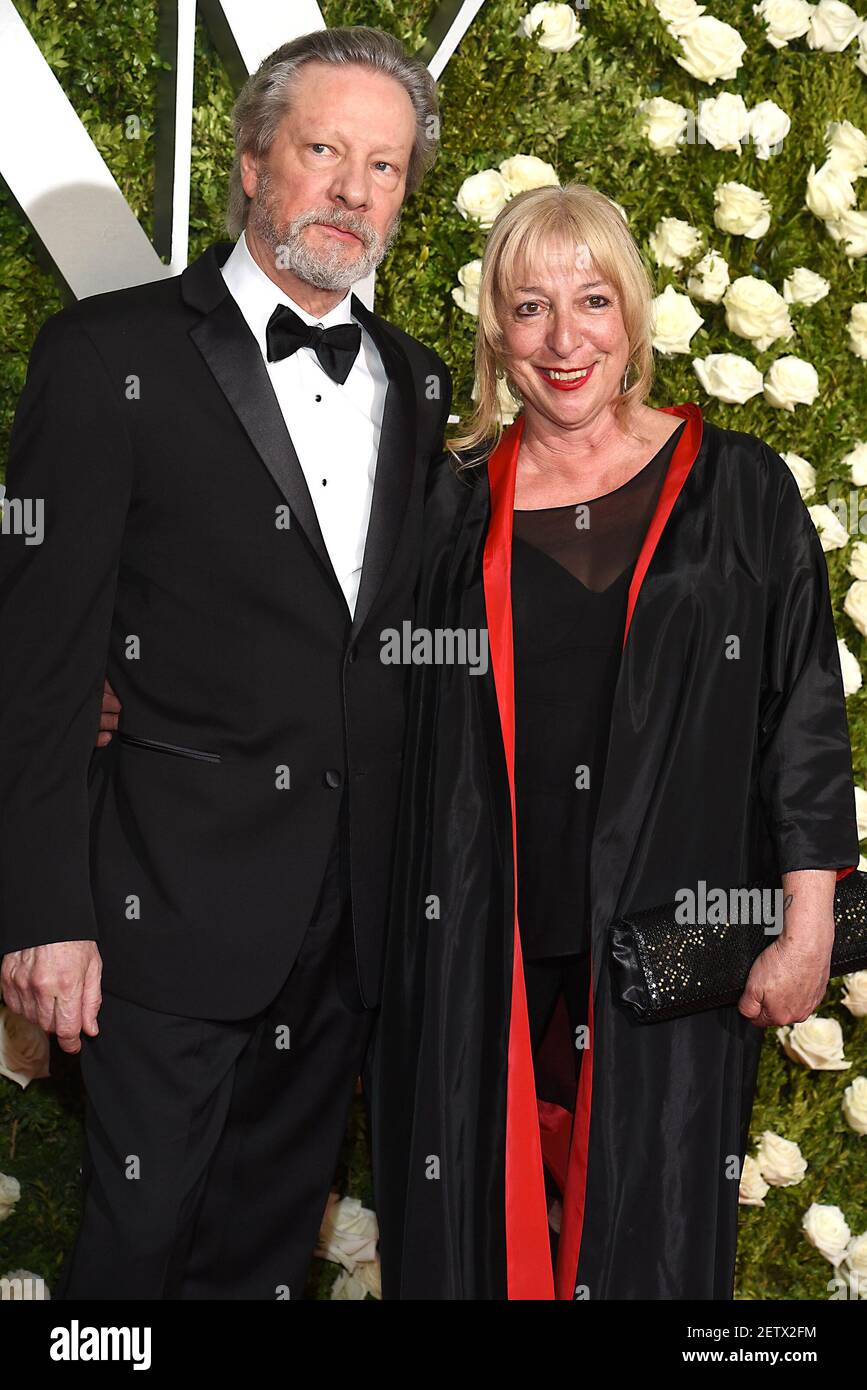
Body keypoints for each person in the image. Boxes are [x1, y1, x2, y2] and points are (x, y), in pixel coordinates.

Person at [0, 27, 451, 1299]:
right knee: (133, 1260)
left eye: (385, 166)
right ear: (252, 162)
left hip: (347, 928)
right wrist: (42, 914)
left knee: (262, 1258)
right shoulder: (108, 358)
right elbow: (35, 671)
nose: (354, 191)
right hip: (160, 909)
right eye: (324, 150)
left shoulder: (417, 388)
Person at [367, 182, 861, 1300]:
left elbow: (804, 718)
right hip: (476, 938)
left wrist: (809, 920)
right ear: (495, 329)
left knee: (651, 1229)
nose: (564, 337)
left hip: (669, 942)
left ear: (632, 314)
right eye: (531, 307)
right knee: (469, 1238)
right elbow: (365, 690)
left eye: (591, 299)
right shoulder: (449, 504)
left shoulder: (741, 489)